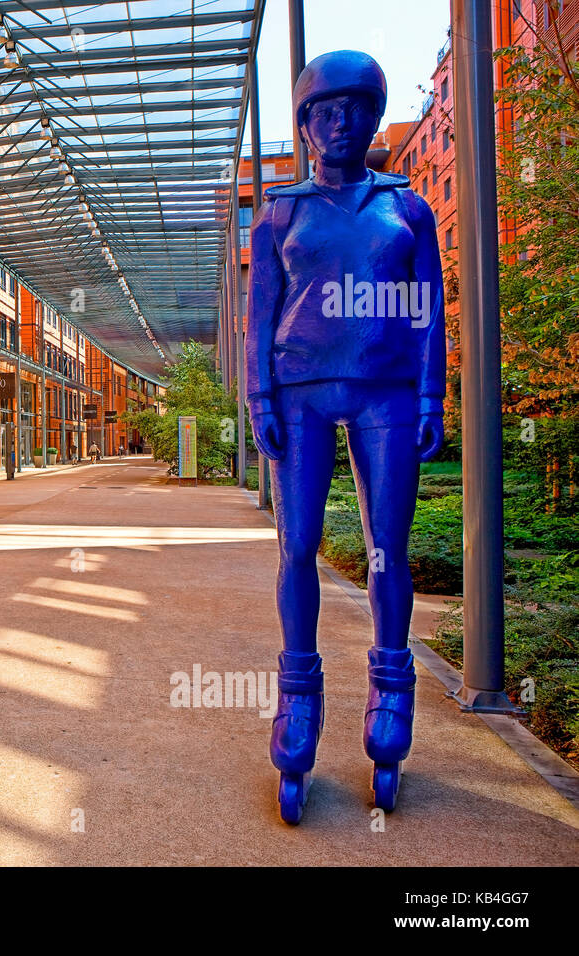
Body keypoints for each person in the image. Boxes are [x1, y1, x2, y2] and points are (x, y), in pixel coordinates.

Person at [246, 51, 445, 823]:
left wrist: (433, 391)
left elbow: (428, 309)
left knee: (386, 547)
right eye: (325, 110)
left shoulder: (410, 209)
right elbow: (261, 312)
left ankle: (390, 690)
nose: (342, 121)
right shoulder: (279, 214)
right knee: (297, 544)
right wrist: (258, 391)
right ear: (304, 125)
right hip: (298, 394)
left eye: (357, 108)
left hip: (387, 391)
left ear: (372, 119)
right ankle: (299, 695)